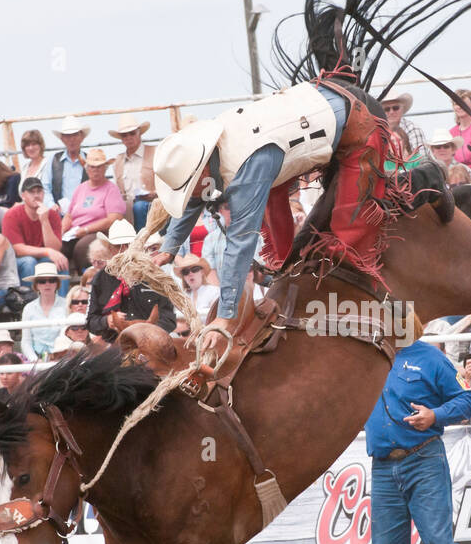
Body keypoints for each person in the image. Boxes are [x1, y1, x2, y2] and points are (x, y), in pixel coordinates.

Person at [152, 76, 396, 352]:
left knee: (346, 241)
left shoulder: (246, 168)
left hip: (359, 119)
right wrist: (170, 246)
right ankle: (288, 272)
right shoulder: (209, 150)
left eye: (189, 186)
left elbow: (240, 241)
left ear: (202, 171)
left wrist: (225, 315)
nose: (190, 195)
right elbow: (199, 193)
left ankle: (371, 301)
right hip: (317, 102)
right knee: (279, 236)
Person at [364, 334, 471, 544]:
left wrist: (435, 415)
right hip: (385, 464)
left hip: (423, 457)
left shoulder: (431, 358)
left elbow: (467, 400)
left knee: (439, 542)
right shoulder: (368, 356)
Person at [62, 148, 127, 272]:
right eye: (91, 167)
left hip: (99, 232)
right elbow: (69, 215)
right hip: (74, 232)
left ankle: (86, 278)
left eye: (99, 167)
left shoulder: (111, 189)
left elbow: (114, 219)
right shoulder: (80, 188)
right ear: (86, 168)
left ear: (105, 168)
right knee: (58, 247)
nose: (95, 170)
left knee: (82, 247)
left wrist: (86, 230)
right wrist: (61, 230)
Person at [3, 177, 67, 283]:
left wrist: (45, 221)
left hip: (42, 258)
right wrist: (48, 251)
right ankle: (30, 299)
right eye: (31, 192)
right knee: (29, 262)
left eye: (39, 191)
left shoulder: (52, 215)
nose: (36, 195)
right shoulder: (12, 215)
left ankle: (62, 299)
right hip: (17, 260)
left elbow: (55, 248)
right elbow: (17, 249)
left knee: (61, 261)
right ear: (23, 196)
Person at [110, 114, 157, 232]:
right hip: (127, 208)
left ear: (139, 133)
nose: (128, 138)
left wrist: (155, 193)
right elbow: (116, 190)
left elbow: (167, 182)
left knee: (139, 207)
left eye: (132, 133)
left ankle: (140, 242)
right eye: (124, 135)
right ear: (121, 139)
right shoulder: (118, 161)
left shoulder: (155, 152)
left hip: (152, 204)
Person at [20, 262, 70, 361]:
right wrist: (34, 360)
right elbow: (26, 341)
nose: (47, 284)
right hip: (37, 359)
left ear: (57, 283)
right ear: (36, 285)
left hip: (63, 358)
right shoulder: (28, 308)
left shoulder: (67, 305)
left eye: (52, 280)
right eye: (42, 281)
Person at [48, 116, 90, 205]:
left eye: (75, 135)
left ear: (82, 137)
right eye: (67, 136)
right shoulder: (53, 160)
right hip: (59, 213)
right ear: (62, 139)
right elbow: (45, 187)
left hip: (85, 212)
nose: (72, 139)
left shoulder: (91, 160)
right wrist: (51, 205)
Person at [380, 92, 427, 159]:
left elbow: (422, 160)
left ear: (402, 109)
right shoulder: (378, 130)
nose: (391, 112)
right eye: (387, 109)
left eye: (395, 108)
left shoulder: (413, 129)